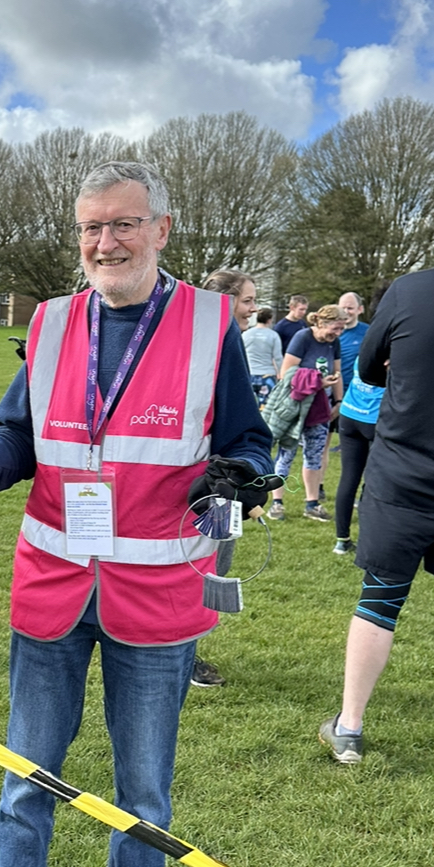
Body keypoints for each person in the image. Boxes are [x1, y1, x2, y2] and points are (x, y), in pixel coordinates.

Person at [0, 162, 272, 867]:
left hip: (155, 596)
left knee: (143, 793)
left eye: (122, 224)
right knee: (26, 780)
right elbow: (17, 438)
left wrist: (238, 474)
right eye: (90, 227)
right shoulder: (49, 322)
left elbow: (248, 440)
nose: (104, 243)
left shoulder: (209, 324)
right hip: (52, 587)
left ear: (161, 229)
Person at [318, 269, 434, 763]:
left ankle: (349, 728)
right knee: (379, 600)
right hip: (404, 474)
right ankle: (347, 727)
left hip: (404, 473)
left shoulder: (412, 290)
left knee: (380, 601)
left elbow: (368, 368)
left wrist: (403, 367)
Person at [189, 268, 260, 689]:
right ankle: (185, 653)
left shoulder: (231, 342)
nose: (253, 308)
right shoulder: (204, 343)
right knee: (204, 563)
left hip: (227, 478)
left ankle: (187, 646)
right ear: (225, 300)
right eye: (247, 300)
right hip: (207, 483)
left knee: (218, 558)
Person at [267, 306, 343, 522]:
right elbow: (287, 374)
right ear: (321, 322)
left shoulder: (334, 342)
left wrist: (338, 401)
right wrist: (317, 382)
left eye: (341, 329)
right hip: (295, 406)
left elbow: (337, 373)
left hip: (320, 408)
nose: (338, 333)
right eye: (335, 328)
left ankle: (312, 503)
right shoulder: (302, 337)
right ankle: (276, 502)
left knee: (314, 455)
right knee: (286, 453)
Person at [333, 370, 384, 556]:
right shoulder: (396, 358)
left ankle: (342, 541)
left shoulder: (364, 354)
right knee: (373, 482)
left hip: (349, 414)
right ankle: (367, 542)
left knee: (348, 478)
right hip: (374, 419)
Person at [241, 308, 281, 407]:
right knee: (265, 407)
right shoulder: (273, 335)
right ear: (269, 320)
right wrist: (281, 373)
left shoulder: (246, 334)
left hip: (249, 373)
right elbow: (277, 357)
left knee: (247, 405)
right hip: (267, 374)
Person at [337, 292, 369, 391]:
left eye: (350, 308)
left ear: (360, 309)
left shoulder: (369, 333)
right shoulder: (328, 333)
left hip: (359, 392)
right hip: (333, 390)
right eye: (342, 308)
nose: (346, 312)